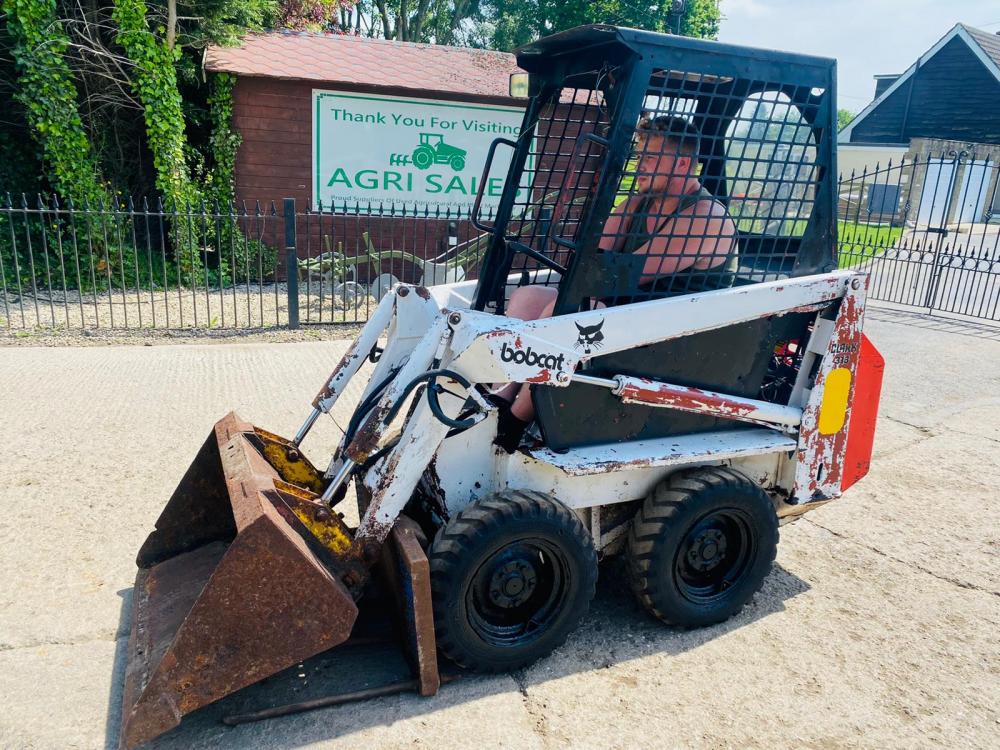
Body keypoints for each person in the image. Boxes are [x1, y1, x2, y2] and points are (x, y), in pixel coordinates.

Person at [491, 115, 739, 447]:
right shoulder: (644, 202)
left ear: (681, 163)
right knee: (529, 298)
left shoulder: (706, 217)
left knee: (568, 312)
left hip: (675, 336)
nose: (640, 166)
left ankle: (512, 423)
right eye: (640, 157)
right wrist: (634, 200)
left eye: (650, 158)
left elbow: (618, 274)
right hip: (631, 317)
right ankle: (497, 398)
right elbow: (596, 253)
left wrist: (591, 272)